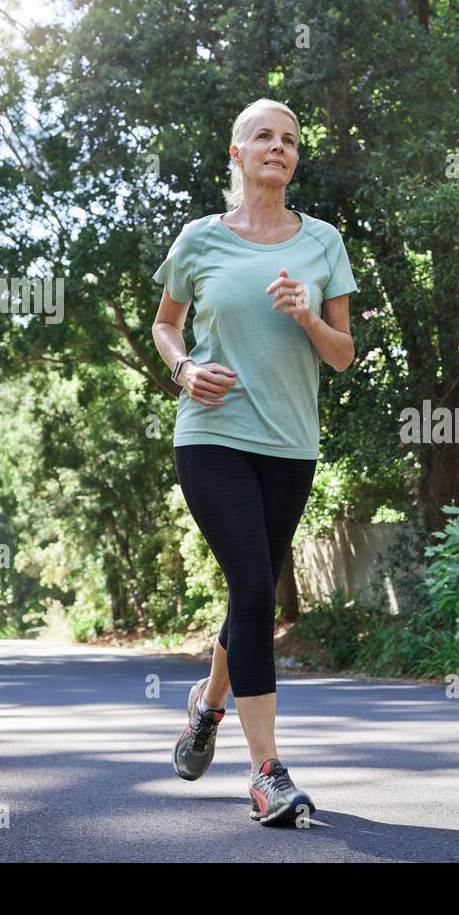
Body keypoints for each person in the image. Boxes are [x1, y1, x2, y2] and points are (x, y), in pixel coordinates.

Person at [150, 98, 357, 827]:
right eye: (263, 136)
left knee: (251, 595)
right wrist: (182, 370)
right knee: (250, 583)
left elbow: (342, 354)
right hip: (210, 434)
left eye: (290, 139)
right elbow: (165, 324)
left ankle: (206, 706)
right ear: (237, 154)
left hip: (290, 444)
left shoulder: (323, 242)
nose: (279, 146)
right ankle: (267, 772)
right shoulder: (200, 240)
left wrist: (306, 314)